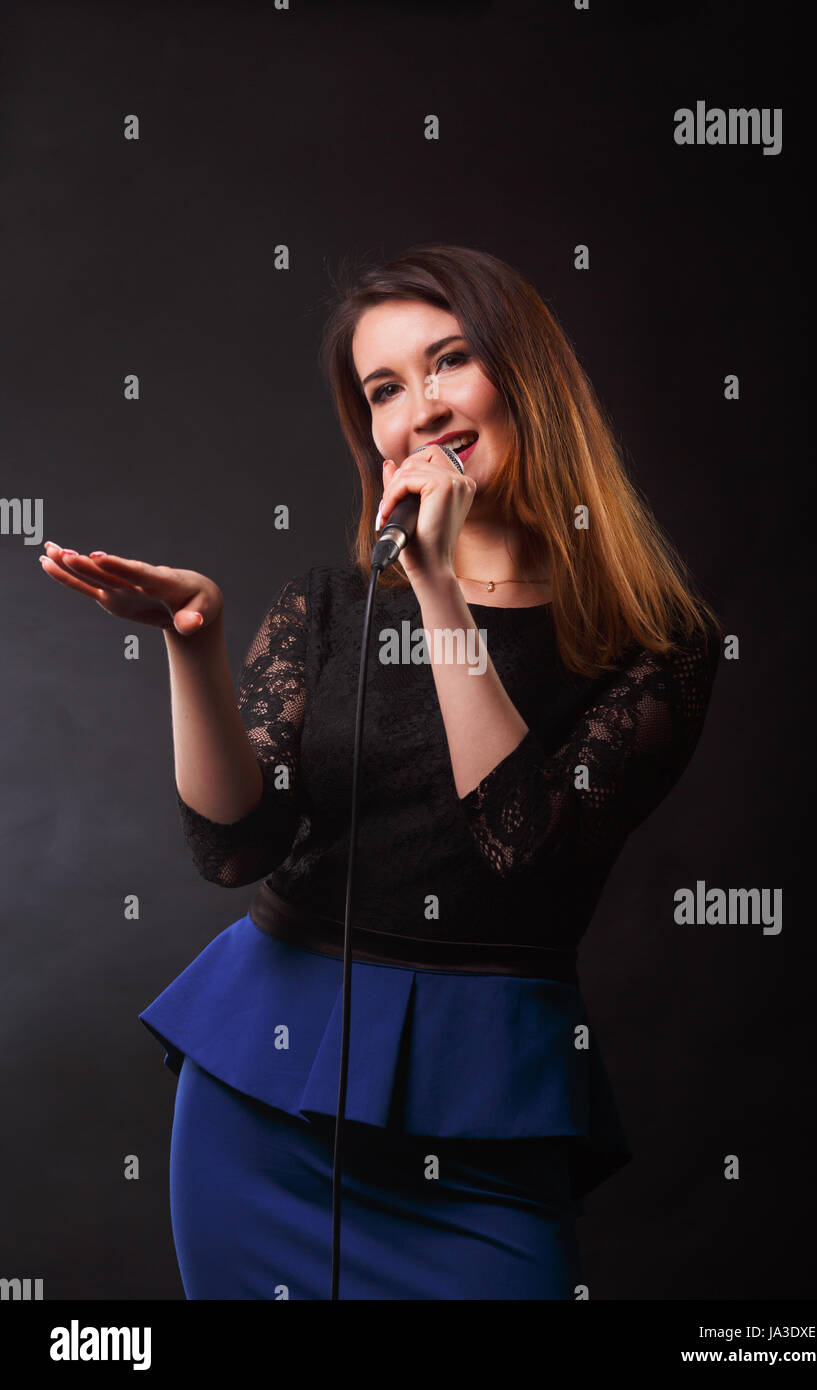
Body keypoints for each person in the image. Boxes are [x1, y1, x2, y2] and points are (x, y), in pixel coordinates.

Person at [38, 244, 722, 1301]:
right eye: (385, 390)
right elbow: (232, 847)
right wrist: (192, 642)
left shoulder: (655, 645)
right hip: (262, 1098)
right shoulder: (327, 606)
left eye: (449, 361)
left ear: (525, 377)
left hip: (484, 1109)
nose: (423, 408)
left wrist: (441, 593)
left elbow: (515, 844)